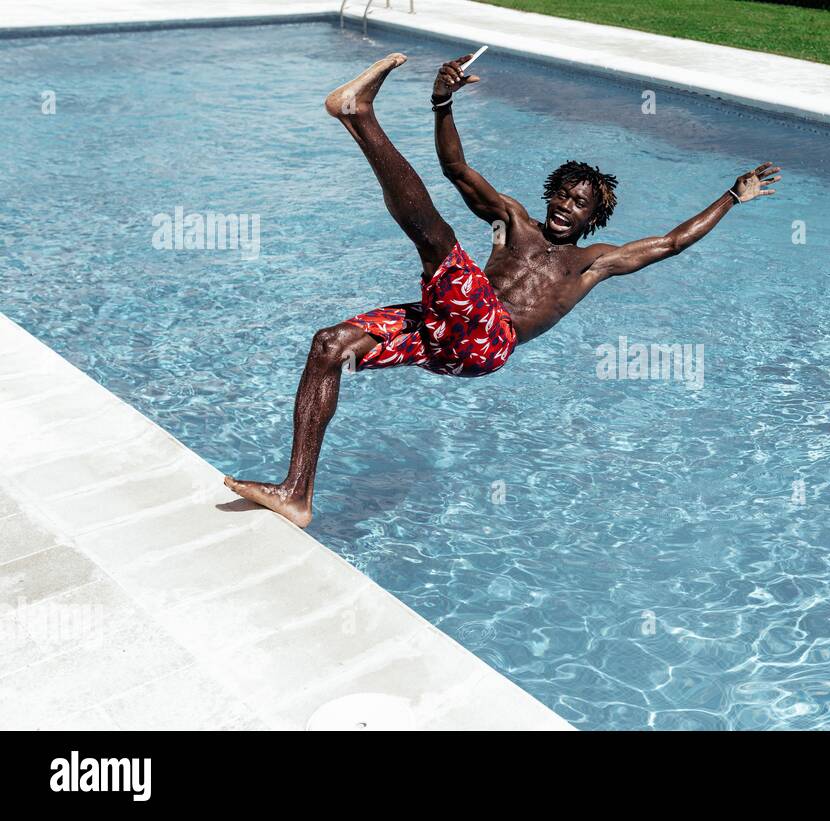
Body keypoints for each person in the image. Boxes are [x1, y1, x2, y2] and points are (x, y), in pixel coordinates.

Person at [224, 52, 781, 526]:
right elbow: (456, 168)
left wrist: (732, 196)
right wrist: (442, 104)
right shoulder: (512, 221)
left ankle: (358, 114)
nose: (565, 206)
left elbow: (670, 243)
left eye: (578, 203)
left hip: (490, 340)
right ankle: (296, 492)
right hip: (446, 330)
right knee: (330, 344)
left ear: (594, 216)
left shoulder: (594, 263)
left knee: (439, 245)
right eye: (561, 195)